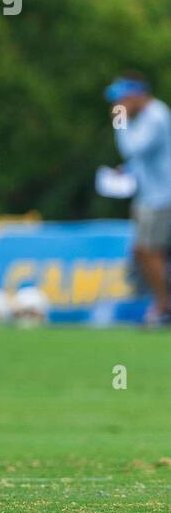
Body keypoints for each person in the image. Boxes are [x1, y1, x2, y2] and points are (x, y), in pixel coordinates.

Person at [105, 73, 171, 325]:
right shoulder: (148, 117)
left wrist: (119, 121)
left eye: (121, 99)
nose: (117, 105)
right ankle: (163, 303)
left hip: (161, 197)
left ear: (134, 95)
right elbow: (142, 156)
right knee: (144, 252)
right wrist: (127, 169)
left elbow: (132, 147)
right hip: (151, 197)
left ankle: (164, 307)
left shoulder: (156, 116)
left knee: (149, 251)